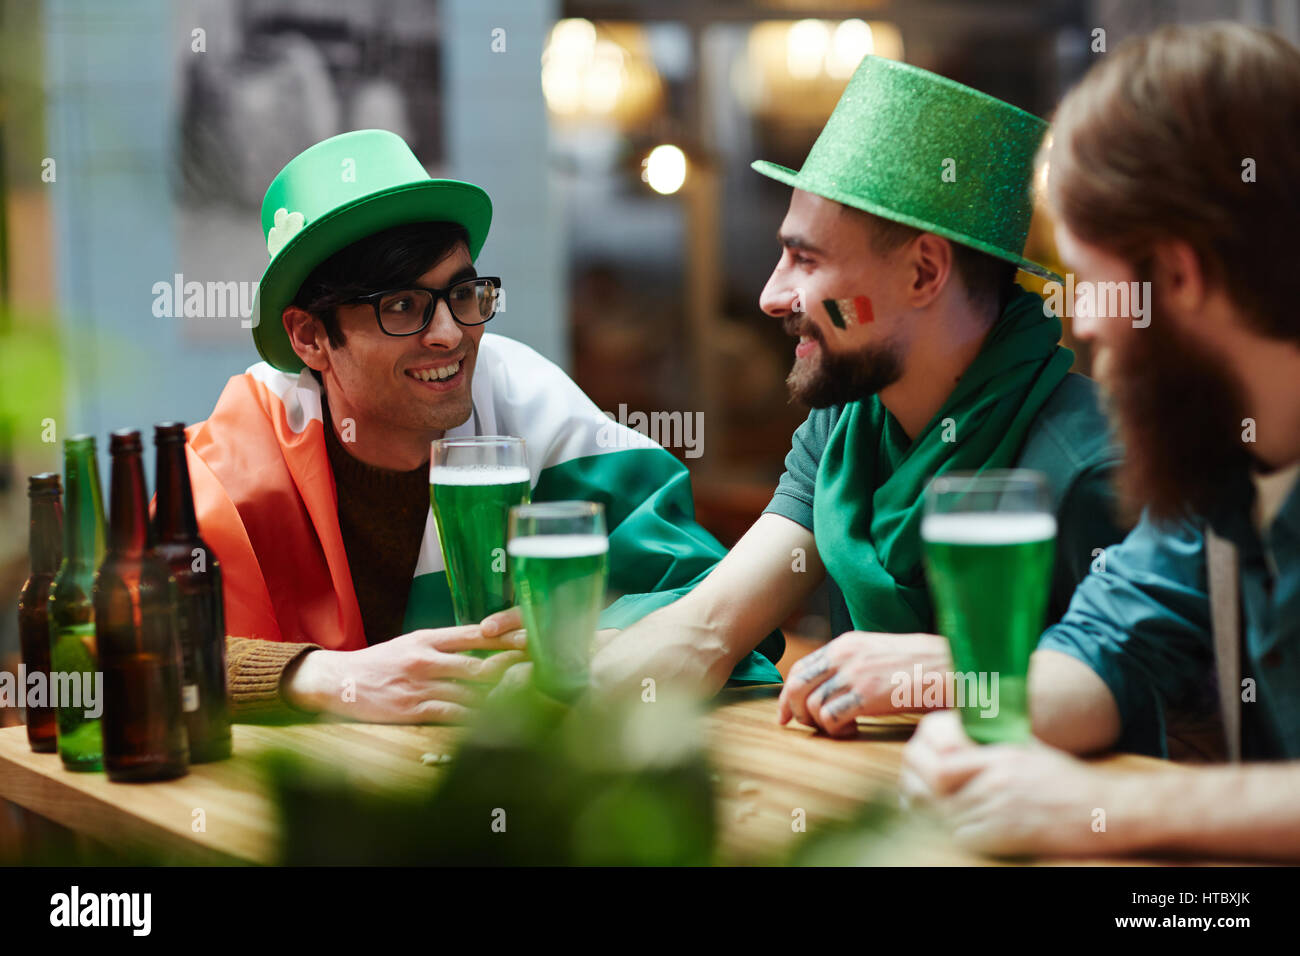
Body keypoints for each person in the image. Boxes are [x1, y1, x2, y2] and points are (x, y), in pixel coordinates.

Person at [198, 129, 783, 722]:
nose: (451, 334)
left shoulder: (531, 404)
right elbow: (127, 658)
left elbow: (720, 608)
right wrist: (325, 675)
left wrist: (576, 650)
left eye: (463, 293)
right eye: (401, 306)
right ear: (310, 336)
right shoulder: (242, 453)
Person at [591, 55, 1128, 700]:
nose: (770, 294)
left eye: (804, 259)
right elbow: (710, 626)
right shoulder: (848, 423)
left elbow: (1164, 718)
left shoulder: (1093, 467)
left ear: (924, 274)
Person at [895, 22, 1300, 860]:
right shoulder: (1222, 466)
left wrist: (1108, 806)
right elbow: (1109, 644)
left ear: (1180, 276)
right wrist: (984, 723)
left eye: (1085, 280)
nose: (1077, 324)